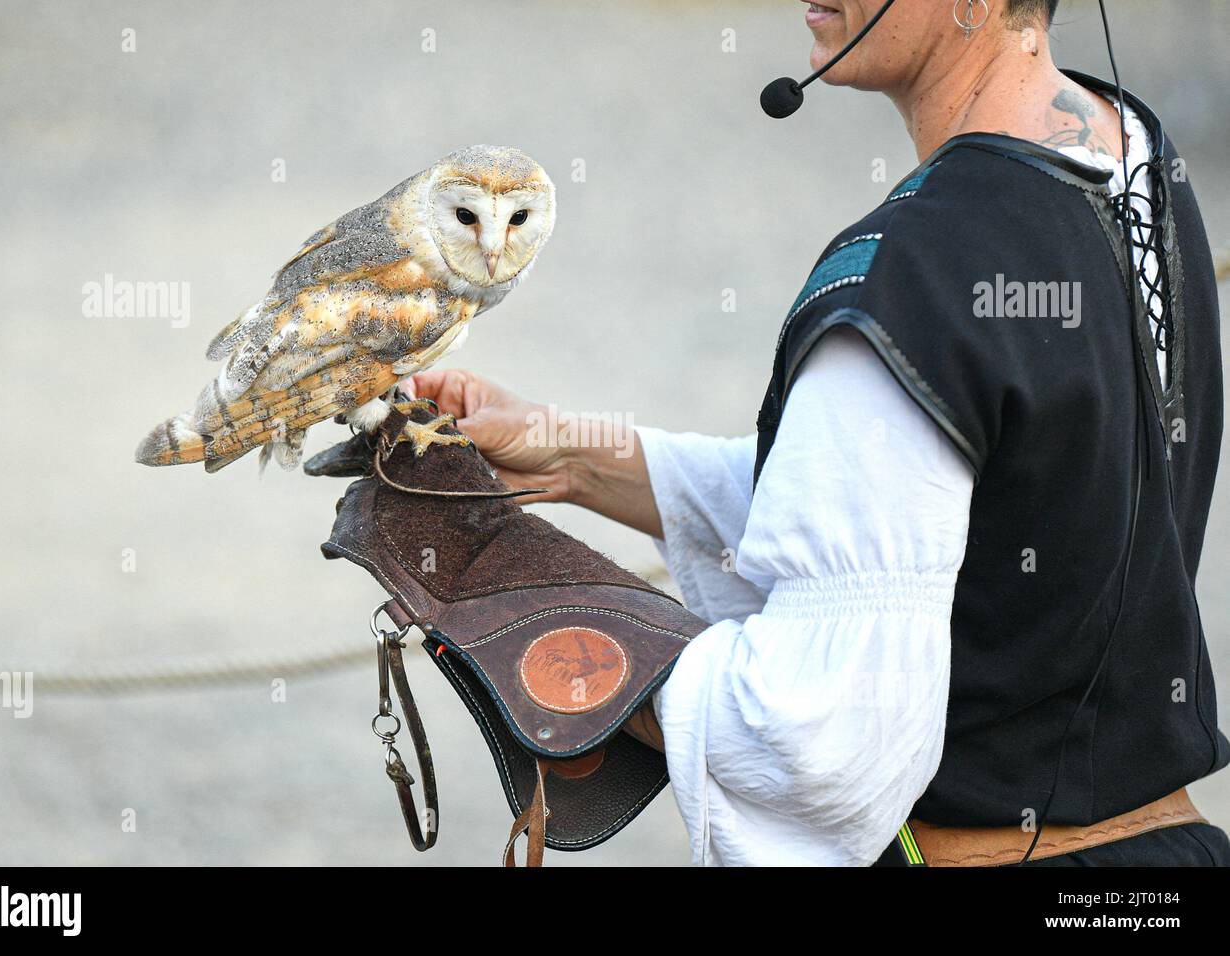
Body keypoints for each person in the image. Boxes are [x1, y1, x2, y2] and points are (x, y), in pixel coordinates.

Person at [411, 0, 1229, 866]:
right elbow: (934, 513)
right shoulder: (1129, 152)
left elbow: (811, 741)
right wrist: (569, 454)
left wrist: (536, 624)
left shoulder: (914, 273)